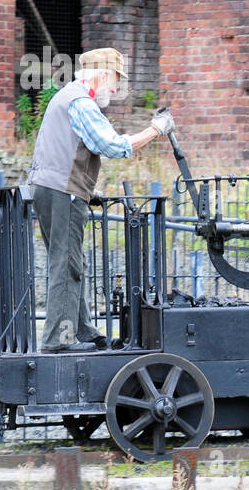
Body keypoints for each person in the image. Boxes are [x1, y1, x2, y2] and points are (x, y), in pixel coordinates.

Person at [26, 48, 175, 352]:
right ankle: (58, 341)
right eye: (115, 81)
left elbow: (62, 150)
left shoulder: (65, 96)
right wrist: (155, 130)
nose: (115, 90)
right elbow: (112, 145)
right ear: (104, 73)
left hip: (51, 188)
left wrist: (87, 191)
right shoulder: (82, 102)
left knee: (71, 262)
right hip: (62, 193)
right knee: (66, 264)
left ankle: (82, 331)